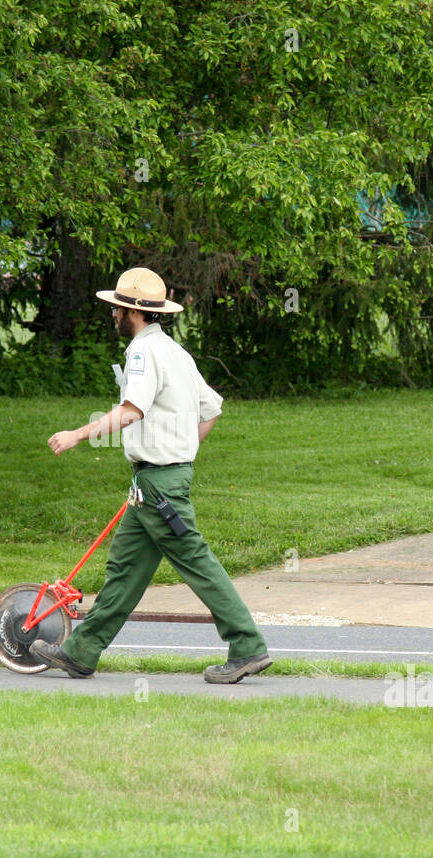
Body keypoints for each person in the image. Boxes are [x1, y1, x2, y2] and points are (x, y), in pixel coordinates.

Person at [31, 267, 273, 684]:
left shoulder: (143, 353)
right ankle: (80, 652)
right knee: (124, 573)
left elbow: (131, 411)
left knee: (198, 564)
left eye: (117, 309)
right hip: (155, 483)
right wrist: (184, 451)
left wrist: (78, 434)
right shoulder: (175, 352)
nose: (112, 315)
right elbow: (211, 409)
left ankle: (247, 646)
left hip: (159, 486)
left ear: (135, 313)